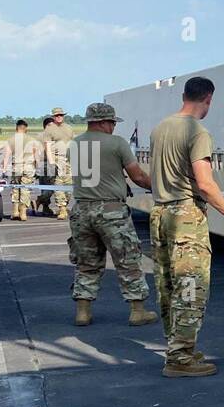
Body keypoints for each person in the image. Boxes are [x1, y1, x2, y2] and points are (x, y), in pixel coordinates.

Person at [148, 76, 224, 378]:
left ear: (184, 95)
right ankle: (180, 358)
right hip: (185, 218)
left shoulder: (161, 127)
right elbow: (204, 183)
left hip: (160, 213)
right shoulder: (198, 132)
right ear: (208, 99)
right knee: (190, 286)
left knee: (168, 285)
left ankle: (178, 347)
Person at [67, 102, 157, 327]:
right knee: (128, 259)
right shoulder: (117, 144)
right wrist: (158, 187)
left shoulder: (75, 144)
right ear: (103, 122)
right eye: (112, 123)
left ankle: (83, 312)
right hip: (111, 211)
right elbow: (137, 176)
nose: (114, 127)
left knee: (86, 262)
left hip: (81, 210)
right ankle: (138, 310)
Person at [0, 119, 41, 220]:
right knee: (25, 189)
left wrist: (4, 170)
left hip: (16, 167)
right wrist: (38, 168)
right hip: (28, 167)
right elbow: (37, 156)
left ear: (16, 127)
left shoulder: (11, 140)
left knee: (15, 188)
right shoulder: (32, 140)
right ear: (26, 128)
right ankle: (23, 212)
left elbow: (6, 156)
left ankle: (15, 211)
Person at [45, 107, 77, 220]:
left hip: (69, 160)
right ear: (53, 116)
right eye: (57, 115)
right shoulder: (49, 129)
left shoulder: (69, 128)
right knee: (58, 185)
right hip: (57, 160)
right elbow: (48, 146)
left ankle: (64, 204)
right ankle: (62, 209)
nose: (59, 117)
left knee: (69, 186)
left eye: (61, 115)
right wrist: (51, 162)